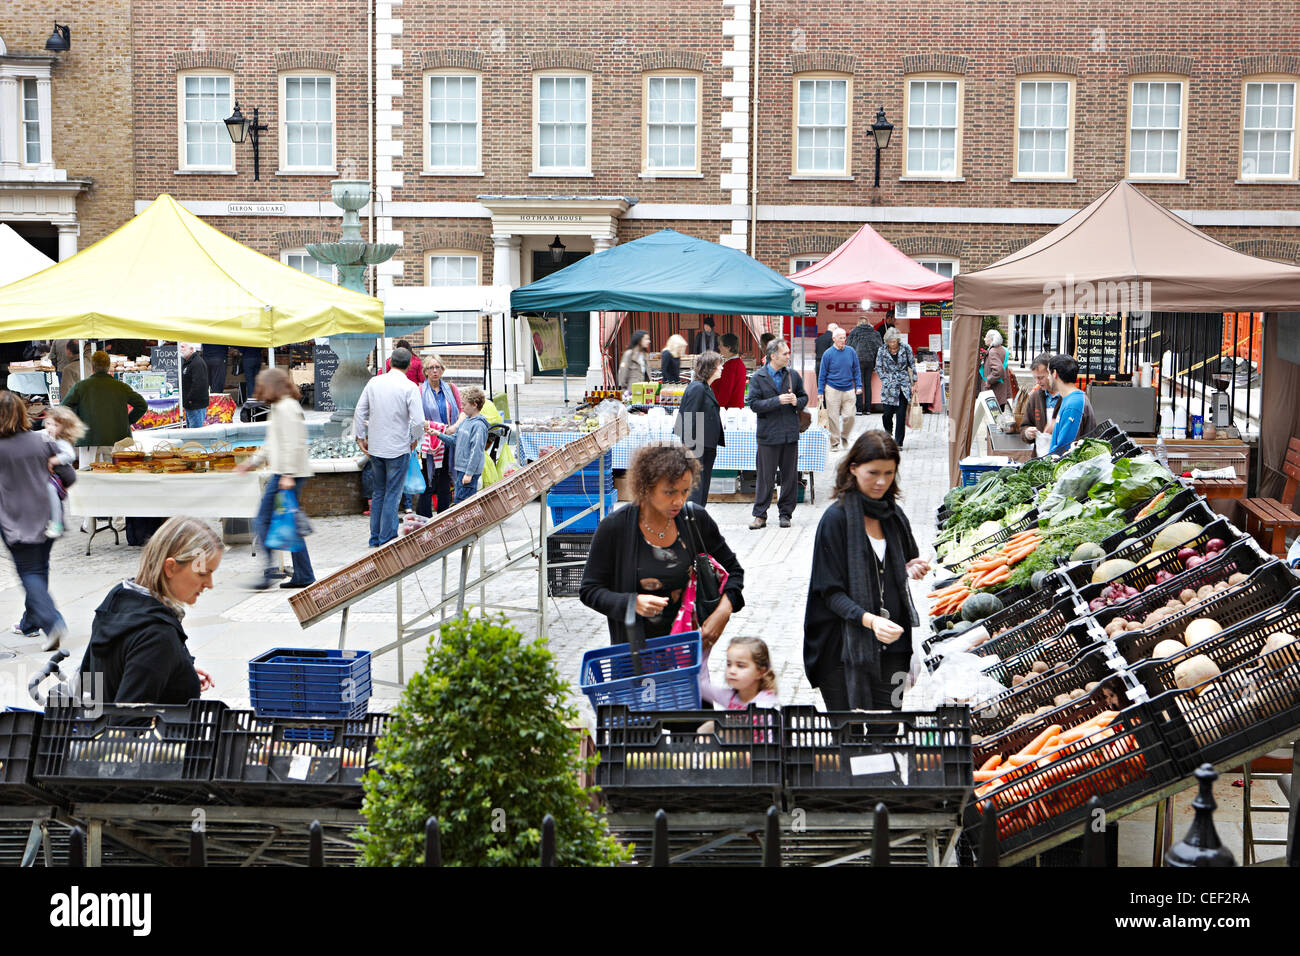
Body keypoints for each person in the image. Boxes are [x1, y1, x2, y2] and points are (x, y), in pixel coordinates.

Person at [804, 430, 930, 710]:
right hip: (840, 650)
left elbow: (903, 560)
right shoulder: (835, 520)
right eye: (873, 473)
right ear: (853, 468)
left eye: (889, 473)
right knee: (848, 736)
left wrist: (911, 567)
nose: (881, 482)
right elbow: (829, 592)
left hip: (895, 645)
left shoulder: (894, 515)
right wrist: (870, 621)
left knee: (888, 727)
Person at [580, 443, 745, 646]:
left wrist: (724, 610)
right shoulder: (615, 528)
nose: (679, 501)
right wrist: (632, 603)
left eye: (685, 491)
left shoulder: (694, 520)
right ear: (646, 487)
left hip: (688, 654)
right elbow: (590, 590)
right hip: (633, 658)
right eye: (669, 492)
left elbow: (734, 571)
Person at [79, 516, 221, 705]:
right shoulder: (157, 635)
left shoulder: (118, 598)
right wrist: (160, 660)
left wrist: (175, 668)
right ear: (170, 567)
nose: (209, 584)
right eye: (203, 573)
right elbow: (128, 723)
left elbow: (91, 681)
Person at [0, 392, 77, 650]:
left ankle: (50, 621)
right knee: (39, 568)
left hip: (13, 518)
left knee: (29, 572)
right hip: (47, 514)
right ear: (23, 413)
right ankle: (33, 621)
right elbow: (70, 476)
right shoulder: (41, 440)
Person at [236, 368, 316, 590]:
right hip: (286, 473)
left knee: (263, 519)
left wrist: (288, 474)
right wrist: (251, 462)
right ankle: (303, 573)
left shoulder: (285, 408)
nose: (259, 390)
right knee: (288, 522)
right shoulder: (284, 406)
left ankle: (270, 571)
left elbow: (293, 443)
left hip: (287, 474)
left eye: (262, 385)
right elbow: (274, 443)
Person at [354, 346, 424, 547]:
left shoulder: (374, 382)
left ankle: (375, 537)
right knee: (392, 494)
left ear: (390, 362)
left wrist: (360, 437)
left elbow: (360, 411)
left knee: (379, 493)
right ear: (409, 365)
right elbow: (418, 421)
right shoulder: (410, 387)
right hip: (398, 447)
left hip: (376, 446)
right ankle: (386, 538)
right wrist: (415, 439)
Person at [747, 338, 807, 530]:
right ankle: (760, 515)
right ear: (773, 356)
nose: (788, 356)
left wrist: (797, 401)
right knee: (765, 477)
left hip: (790, 433)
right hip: (768, 435)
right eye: (785, 353)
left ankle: (785, 514)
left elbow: (804, 397)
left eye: (788, 353)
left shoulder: (793, 375)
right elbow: (754, 405)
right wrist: (777, 400)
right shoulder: (758, 378)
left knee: (789, 477)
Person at [60, 350, 148, 468]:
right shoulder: (121, 387)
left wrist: (76, 424)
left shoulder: (81, 387)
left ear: (92, 367)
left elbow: (63, 409)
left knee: (89, 477)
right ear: (108, 368)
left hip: (88, 439)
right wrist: (127, 421)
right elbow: (142, 405)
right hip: (116, 439)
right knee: (116, 477)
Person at [674, 351, 725, 507]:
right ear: (710, 368)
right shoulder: (697, 388)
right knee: (696, 487)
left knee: (702, 485)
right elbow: (688, 417)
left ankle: (698, 517)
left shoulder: (705, 387)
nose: (722, 368)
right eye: (719, 365)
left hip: (705, 444)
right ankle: (692, 519)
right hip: (696, 446)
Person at [416, 353, 463, 516]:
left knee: (444, 482)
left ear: (442, 370)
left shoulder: (451, 389)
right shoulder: (420, 391)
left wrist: (455, 426)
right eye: (431, 368)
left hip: (447, 441)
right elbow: (416, 417)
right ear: (425, 371)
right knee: (427, 482)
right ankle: (424, 520)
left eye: (438, 367)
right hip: (427, 443)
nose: (435, 371)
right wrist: (434, 427)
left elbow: (462, 411)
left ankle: (443, 517)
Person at [699, 636, 779, 710]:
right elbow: (702, 686)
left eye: (740, 666)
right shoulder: (729, 697)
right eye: (729, 664)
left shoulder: (767, 705)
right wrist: (705, 647)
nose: (732, 671)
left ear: (760, 672)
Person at [818, 327, 863, 452]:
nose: (843, 340)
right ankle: (835, 442)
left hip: (848, 388)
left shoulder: (851, 351)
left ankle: (844, 436)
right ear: (834, 339)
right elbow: (822, 374)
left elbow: (856, 369)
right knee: (833, 417)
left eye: (844, 337)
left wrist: (858, 385)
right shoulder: (828, 354)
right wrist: (820, 392)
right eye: (840, 338)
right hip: (832, 388)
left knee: (850, 416)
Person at [441, 385, 489, 504]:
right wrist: (438, 434)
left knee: (462, 503)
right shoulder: (466, 421)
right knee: (460, 500)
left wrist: (469, 473)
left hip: (468, 471)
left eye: (464, 404)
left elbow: (476, 451)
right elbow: (455, 440)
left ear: (474, 404)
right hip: (461, 469)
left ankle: (466, 523)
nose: (461, 407)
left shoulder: (479, 426)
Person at [41, 405, 84, 538]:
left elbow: (69, 455)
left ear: (63, 427)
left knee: (50, 490)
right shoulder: (45, 436)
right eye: (48, 423)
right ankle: (56, 521)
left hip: (61, 476)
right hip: (51, 474)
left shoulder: (62, 442)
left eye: (55, 425)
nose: (50, 427)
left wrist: (52, 461)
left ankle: (57, 524)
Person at [1045, 354, 1096, 455]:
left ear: (1054, 373)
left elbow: (1064, 451)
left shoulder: (1073, 404)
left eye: (1048, 373)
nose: (1048, 377)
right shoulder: (1071, 399)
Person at [875, 329, 917, 448]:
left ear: (898, 340)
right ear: (886, 341)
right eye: (890, 342)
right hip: (889, 386)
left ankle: (899, 442)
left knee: (901, 414)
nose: (892, 344)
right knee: (887, 414)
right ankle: (888, 432)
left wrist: (914, 382)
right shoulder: (882, 350)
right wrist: (885, 378)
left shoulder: (906, 348)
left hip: (903, 384)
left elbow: (912, 365)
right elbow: (878, 366)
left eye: (894, 341)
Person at [846, 316, 884, 415]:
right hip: (870, 361)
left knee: (858, 384)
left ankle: (859, 409)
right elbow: (880, 347)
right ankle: (868, 409)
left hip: (857, 360)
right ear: (868, 323)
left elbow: (849, 346)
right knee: (868, 384)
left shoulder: (854, 332)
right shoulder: (875, 333)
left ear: (858, 323)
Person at [1019, 352, 1055, 453]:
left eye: (1041, 377)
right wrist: (1027, 433)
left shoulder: (1067, 397)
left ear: (1053, 373)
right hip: (1040, 458)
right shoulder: (1035, 397)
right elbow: (1024, 427)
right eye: (1035, 378)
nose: (1037, 382)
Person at [711, 333, 747, 410]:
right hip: (736, 408)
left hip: (729, 411)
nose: (719, 347)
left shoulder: (730, 366)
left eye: (721, 345)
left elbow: (725, 394)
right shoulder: (739, 363)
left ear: (728, 347)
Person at [179, 342, 209, 430]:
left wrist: (189, 399)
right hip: (191, 404)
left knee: (195, 433)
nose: (180, 349)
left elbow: (199, 385)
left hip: (196, 405)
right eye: (180, 347)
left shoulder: (197, 363)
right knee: (191, 432)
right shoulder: (189, 362)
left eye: (183, 347)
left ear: (191, 349)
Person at [983, 329, 1011, 408]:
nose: (984, 339)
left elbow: (998, 371)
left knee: (994, 417)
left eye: (986, 337)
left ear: (992, 339)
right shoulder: (1002, 349)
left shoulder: (993, 351)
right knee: (999, 416)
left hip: (994, 391)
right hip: (1001, 390)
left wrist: (989, 380)